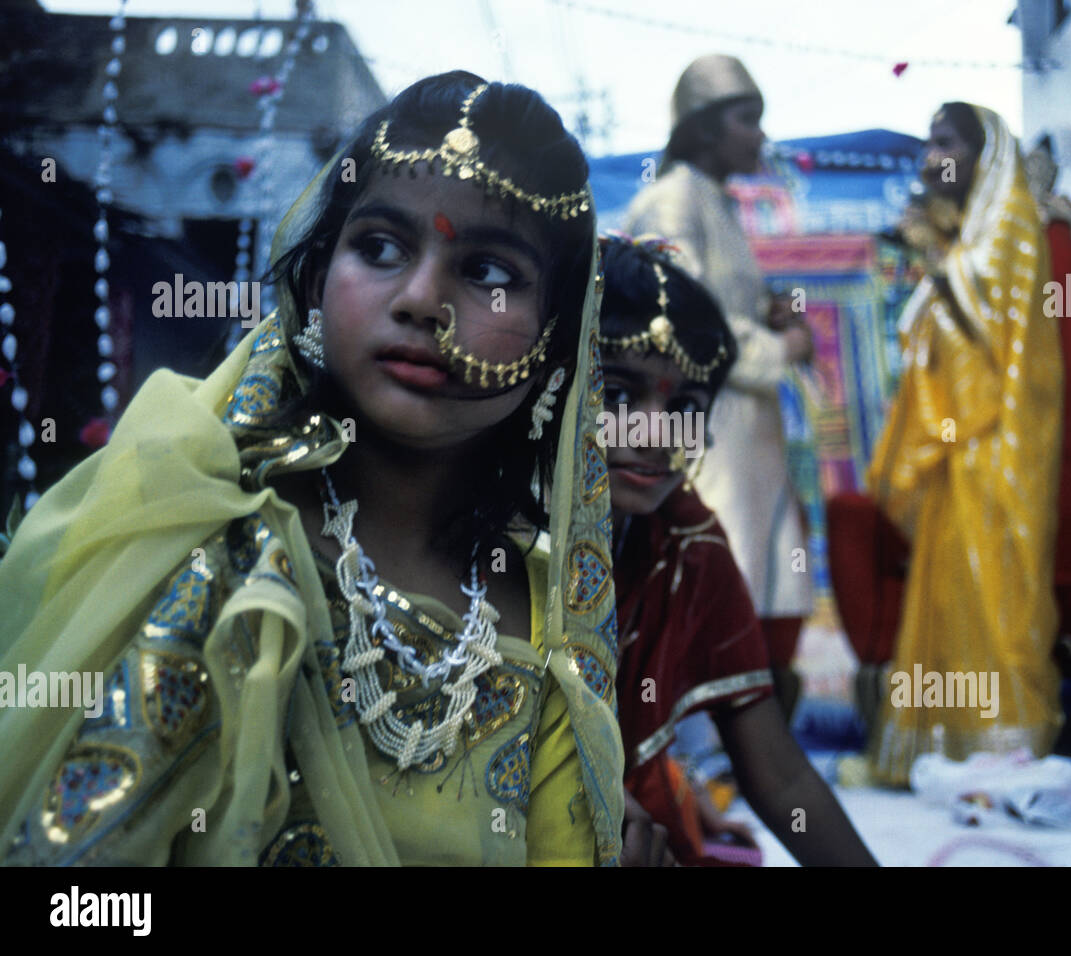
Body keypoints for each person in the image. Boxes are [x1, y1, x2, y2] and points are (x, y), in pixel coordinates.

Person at [0, 72, 624, 866]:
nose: (422, 300)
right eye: (382, 248)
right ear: (317, 282)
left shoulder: (556, 616)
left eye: (490, 274)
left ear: (554, 342)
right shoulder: (209, 535)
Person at [599, 234, 876, 866]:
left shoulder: (688, 543)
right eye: (616, 395)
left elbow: (779, 776)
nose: (656, 434)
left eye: (688, 406)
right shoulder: (487, 537)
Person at [865, 103, 1064, 786]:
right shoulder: (966, 235)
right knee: (952, 592)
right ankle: (948, 747)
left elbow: (989, 325)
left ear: (985, 154)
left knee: (999, 594)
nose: (929, 156)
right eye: (926, 141)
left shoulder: (1009, 218)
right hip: (961, 444)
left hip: (1002, 441)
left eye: (945, 142)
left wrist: (933, 255)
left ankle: (1008, 744)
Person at [623, 55, 814, 723]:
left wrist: (772, 315)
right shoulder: (672, 198)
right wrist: (784, 346)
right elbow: (688, 319)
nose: (759, 135)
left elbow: (732, 307)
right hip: (706, 424)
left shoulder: (717, 202)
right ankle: (697, 757)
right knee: (716, 569)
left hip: (748, 427)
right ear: (704, 129)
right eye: (746, 119)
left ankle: (750, 749)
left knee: (766, 576)